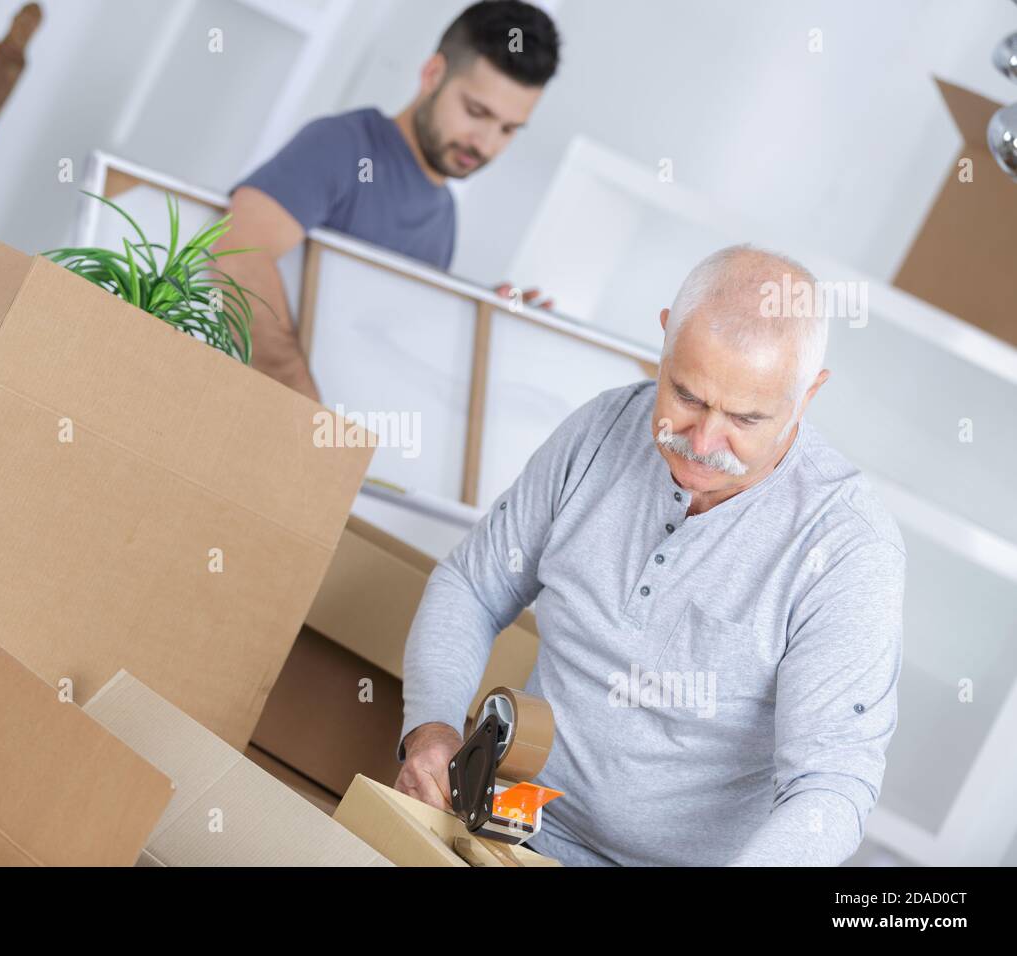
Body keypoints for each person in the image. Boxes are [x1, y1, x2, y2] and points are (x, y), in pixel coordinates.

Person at [394, 245, 907, 866]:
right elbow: (471, 587)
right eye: (687, 396)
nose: (703, 442)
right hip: (503, 816)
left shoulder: (848, 550)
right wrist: (431, 728)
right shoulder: (601, 431)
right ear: (665, 338)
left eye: (745, 417)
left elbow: (832, 785)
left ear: (807, 396)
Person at [216, 0, 562, 401]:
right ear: (433, 74)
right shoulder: (341, 145)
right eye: (476, 112)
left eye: (508, 129)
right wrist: (309, 414)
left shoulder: (444, 215)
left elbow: (380, 338)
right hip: (248, 413)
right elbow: (236, 258)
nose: (485, 143)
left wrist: (484, 320)